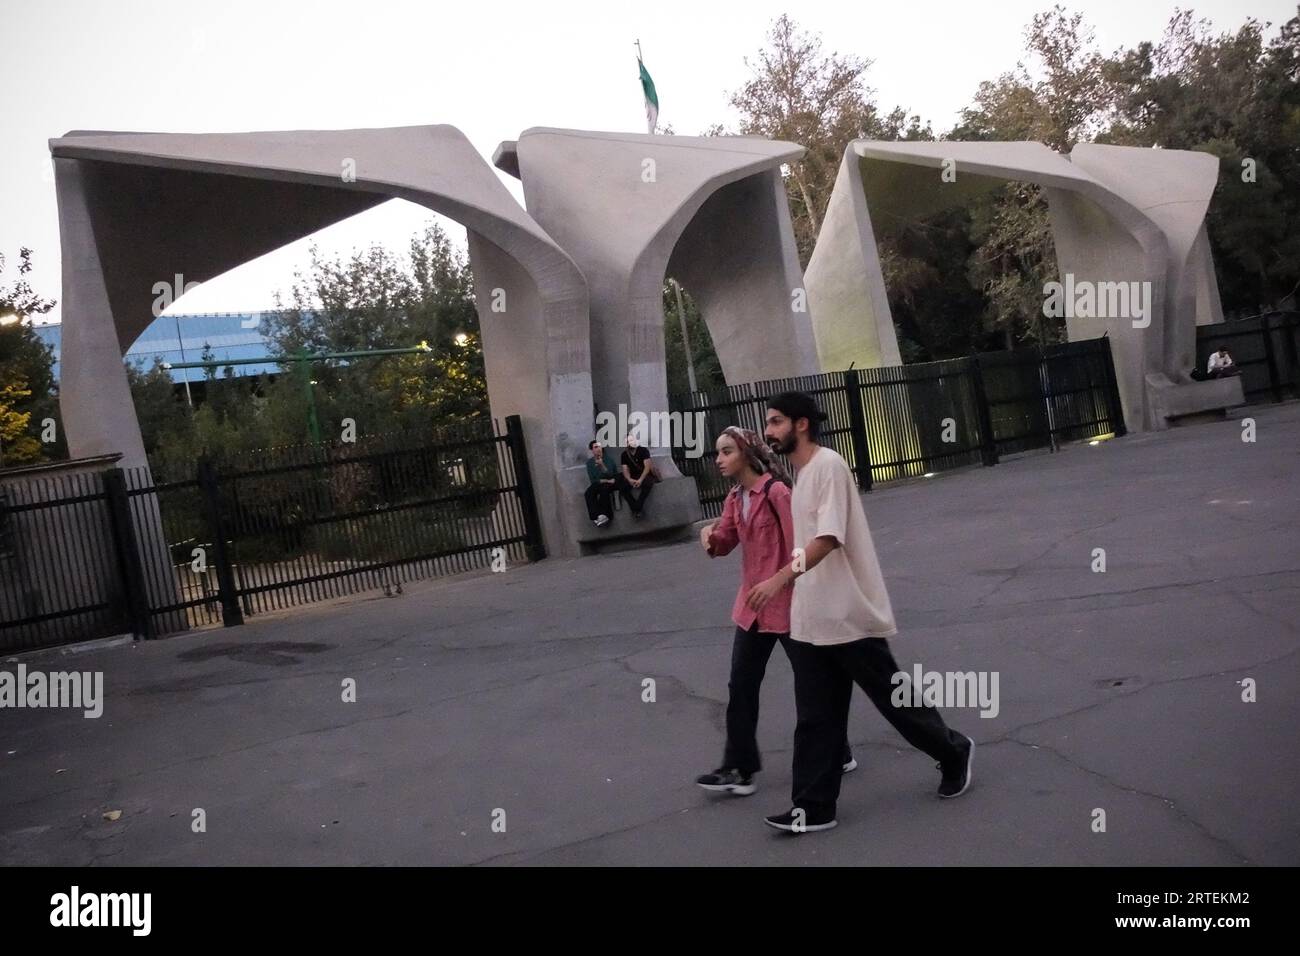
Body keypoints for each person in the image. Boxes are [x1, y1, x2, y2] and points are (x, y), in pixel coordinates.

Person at [749, 392, 974, 833]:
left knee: (895, 702)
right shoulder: (801, 477)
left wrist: (779, 579)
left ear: (800, 425)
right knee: (815, 717)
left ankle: (953, 751)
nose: (768, 431)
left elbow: (828, 538)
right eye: (768, 423)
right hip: (812, 620)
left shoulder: (828, 466)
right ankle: (813, 807)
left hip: (846, 614)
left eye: (775, 422)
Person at [695, 426, 855, 797]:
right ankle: (739, 768)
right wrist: (709, 538)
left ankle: (838, 751)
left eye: (726, 451)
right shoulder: (736, 497)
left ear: (746, 455)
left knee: (812, 686)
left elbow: (802, 548)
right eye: (718, 452)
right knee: (741, 685)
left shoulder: (777, 493)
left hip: (789, 605)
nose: (718, 459)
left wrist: (779, 582)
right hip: (751, 609)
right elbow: (725, 542)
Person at [584, 440, 635, 527]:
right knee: (588, 492)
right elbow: (593, 479)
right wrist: (606, 480)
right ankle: (595, 516)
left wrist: (602, 465)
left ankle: (606, 515)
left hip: (612, 483)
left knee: (604, 489)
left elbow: (611, 474)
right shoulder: (589, 463)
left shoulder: (608, 459)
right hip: (602, 482)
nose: (598, 449)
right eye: (596, 447)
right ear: (592, 450)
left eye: (599, 447)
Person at [619, 435, 656, 519]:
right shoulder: (624, 455)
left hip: (645, 474)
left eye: (631, 440)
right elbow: (625, 469)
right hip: (633, 476)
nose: (630, 443)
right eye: (628, 442)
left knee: (647, 484)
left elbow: (647, 467)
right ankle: (636, 507)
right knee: (623, 487)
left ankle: (637, 508)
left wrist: (640, 480)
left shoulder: (643, 450)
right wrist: (629, 479)